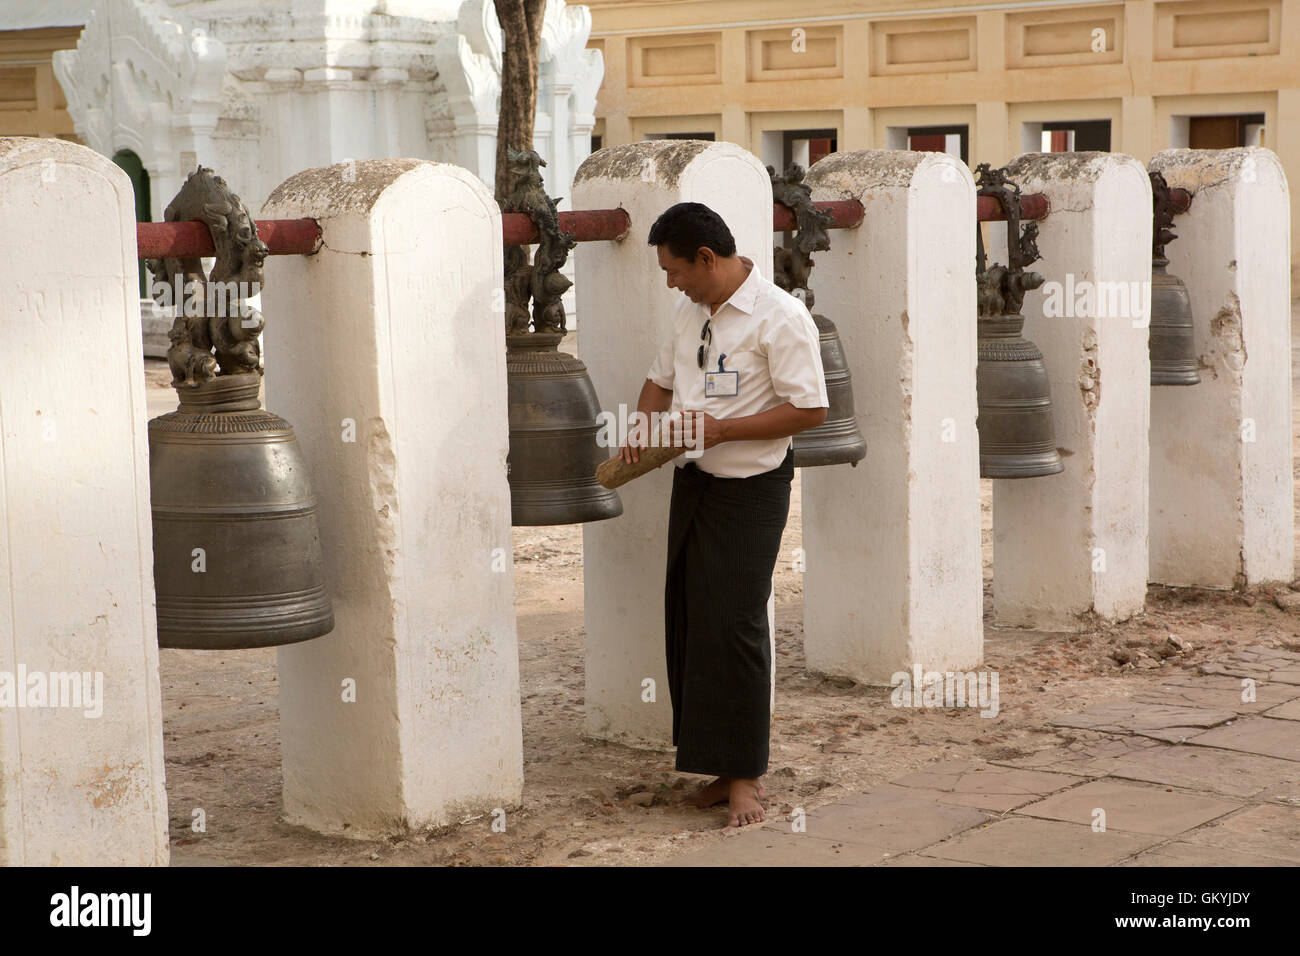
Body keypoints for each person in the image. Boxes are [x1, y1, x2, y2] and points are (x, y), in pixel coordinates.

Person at [617, 201, 829, 828]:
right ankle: (715, 765)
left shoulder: (780, 317)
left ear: (707, 258)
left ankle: (748, 780)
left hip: (751, 490)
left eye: (674, 269)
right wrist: (643, 424)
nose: (669, 281)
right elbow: (659, 382)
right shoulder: (691, 313)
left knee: (734, 625)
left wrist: (723, 429)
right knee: (691, 620)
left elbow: (810, 410)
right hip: (695, 484)